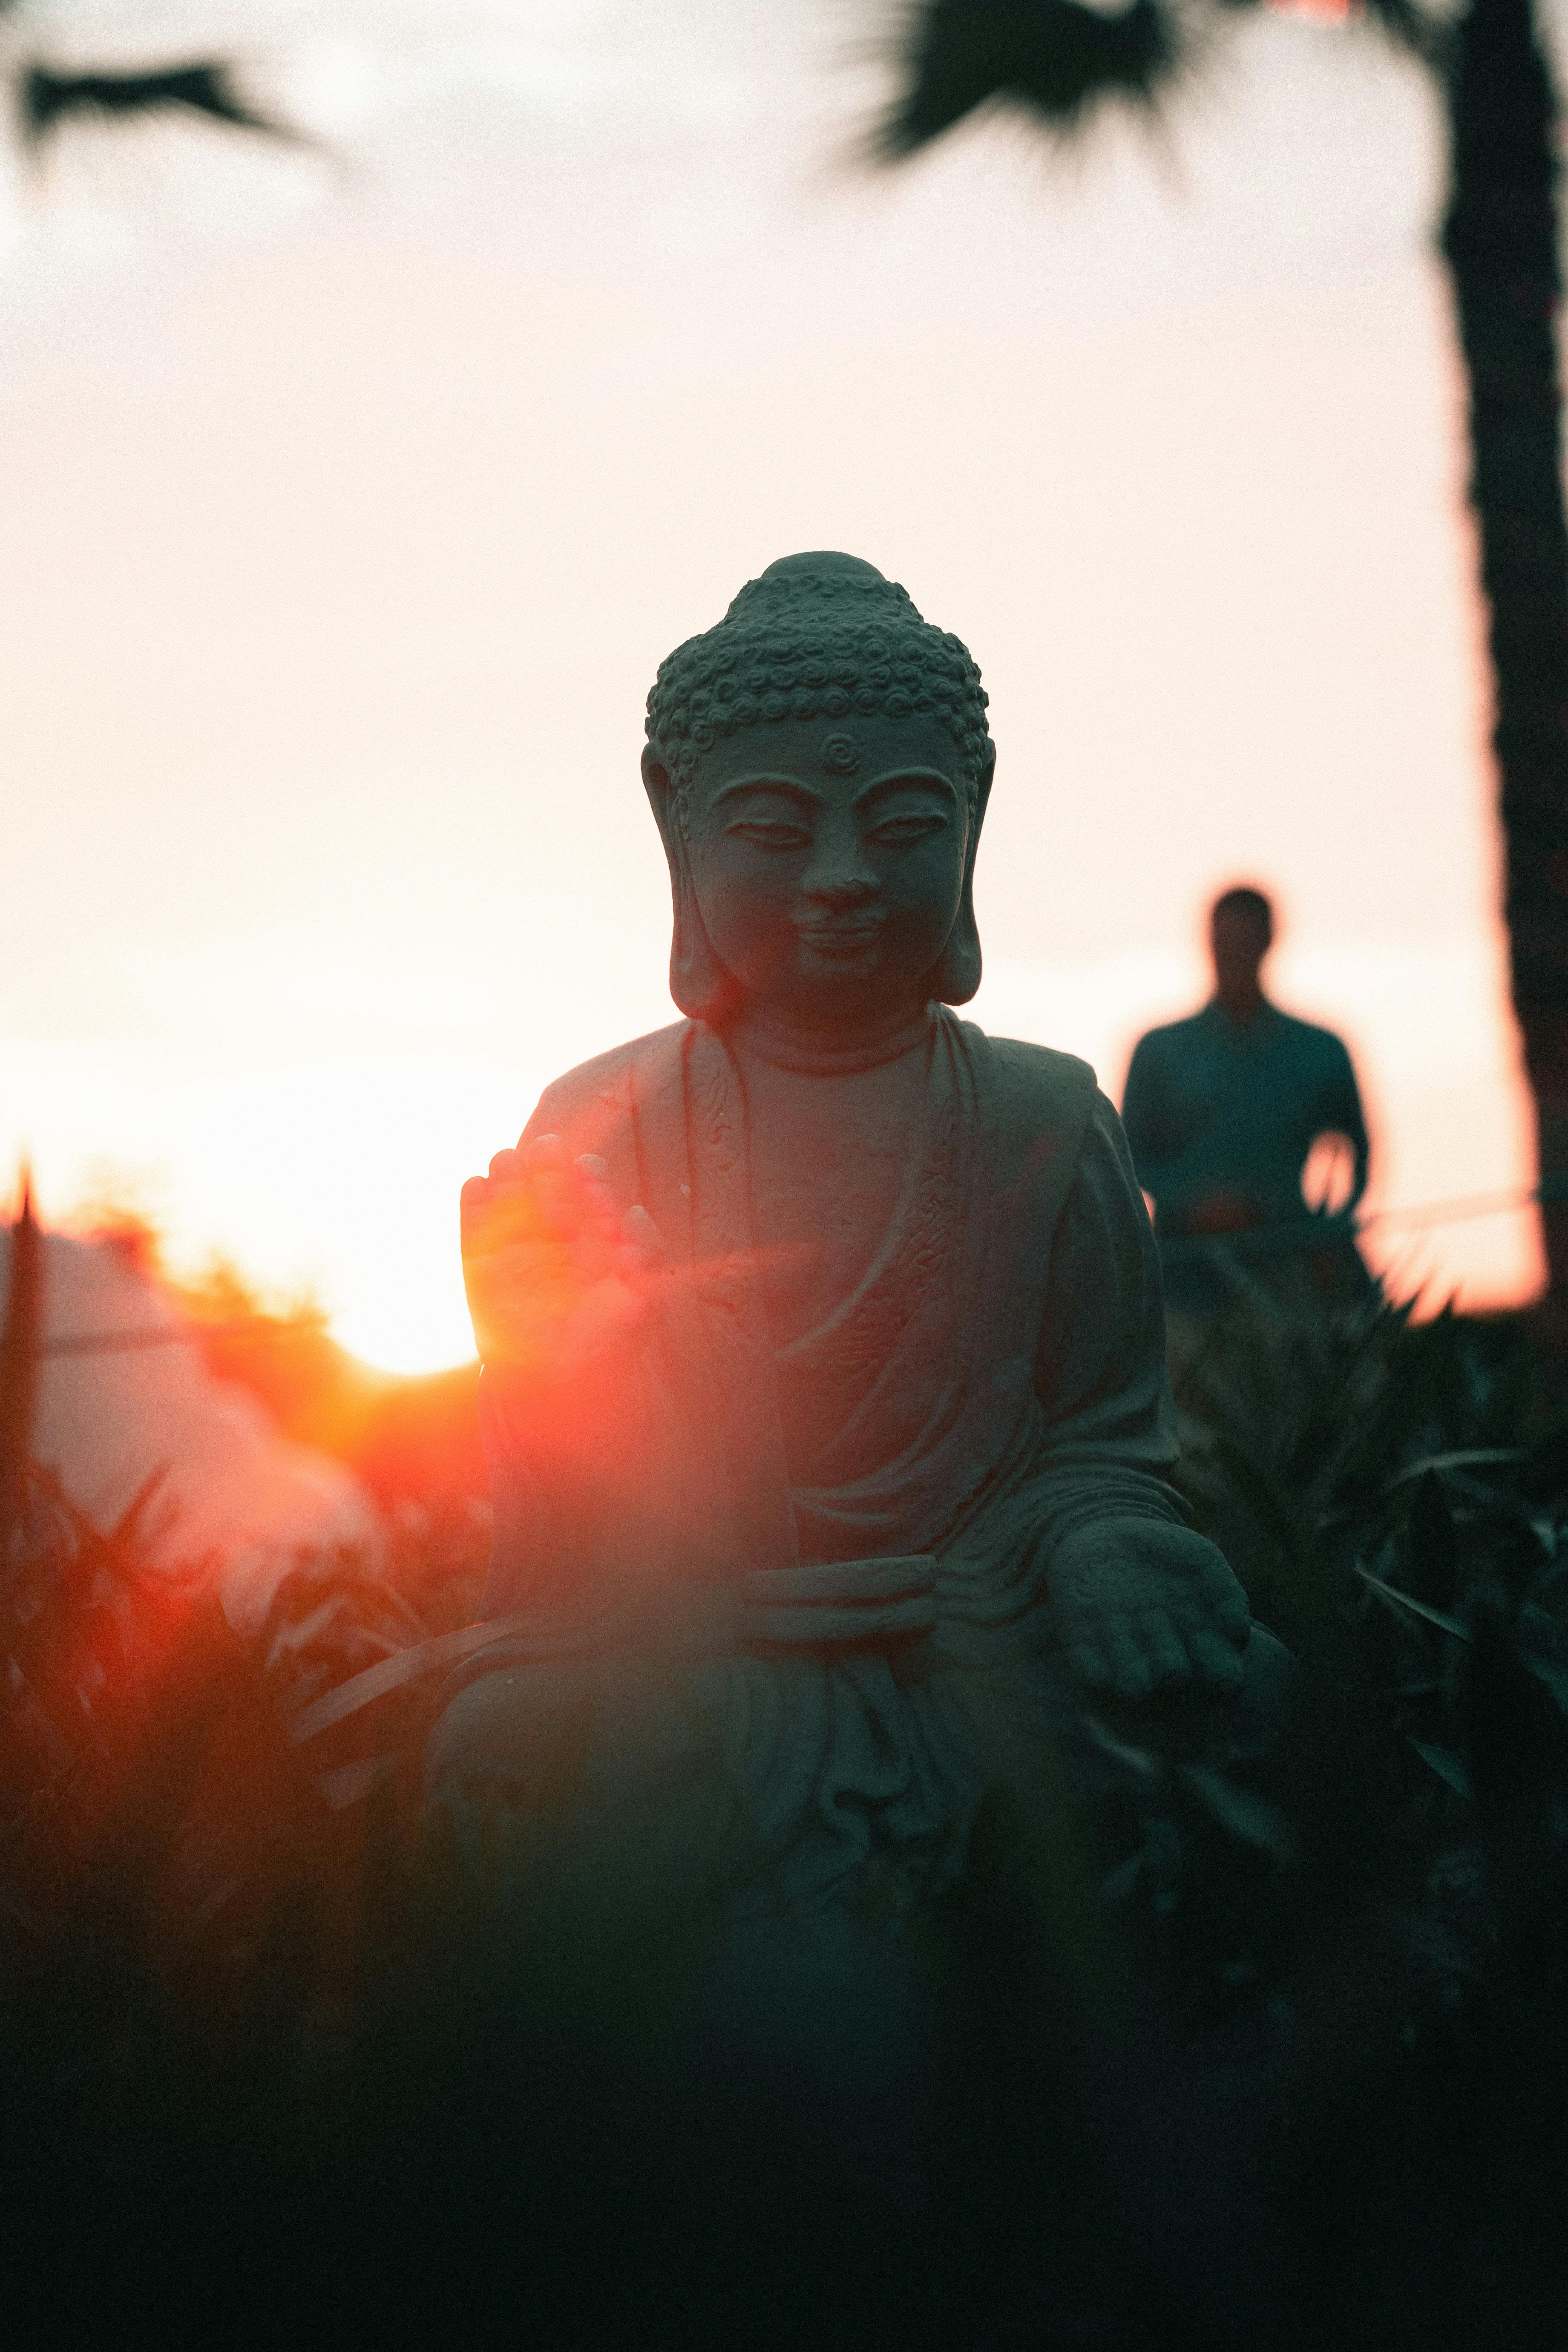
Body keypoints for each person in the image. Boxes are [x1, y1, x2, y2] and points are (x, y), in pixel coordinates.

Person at [428, 556, 1289, 1922]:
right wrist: (543, 1369)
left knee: (1246, 1694)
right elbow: (569, 1524)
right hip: (694, 1649)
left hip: (986, 1636)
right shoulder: (597, 1120)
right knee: (513, 1745)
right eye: (772, 831)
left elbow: (1097, 1445)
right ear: (674, 827)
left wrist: (1103, 1540)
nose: (842, 877)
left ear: (975, 818)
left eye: (901, 821)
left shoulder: (1046, 1113)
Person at [1122, 887, 1371, 1319]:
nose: (1233, 954)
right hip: (1183, 1276)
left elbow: (1361, 1151)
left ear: (1269, 941)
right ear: (1208, 942)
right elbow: (1127, 1156)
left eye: (1245, 941)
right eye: (1224, 941)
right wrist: (1194, 1203)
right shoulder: (1158, 1051)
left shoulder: (1321, 1050)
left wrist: (1329, 1231)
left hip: (1292, 1264)